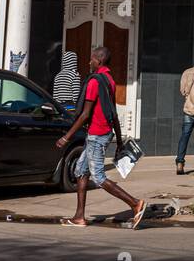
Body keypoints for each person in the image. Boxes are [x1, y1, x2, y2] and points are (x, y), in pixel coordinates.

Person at [57, 45, 146, 229]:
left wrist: (67, 137)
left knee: (98, 177)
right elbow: (113, 112)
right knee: (80, 171)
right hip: (101, 134)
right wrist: (120, 140)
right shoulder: (109, 80)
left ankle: (135, 204)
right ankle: (79, 217)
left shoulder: (95, 82)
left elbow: (85, 114)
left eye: (92, 59)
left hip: (97, 135)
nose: (89, 62)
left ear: (99, 60)